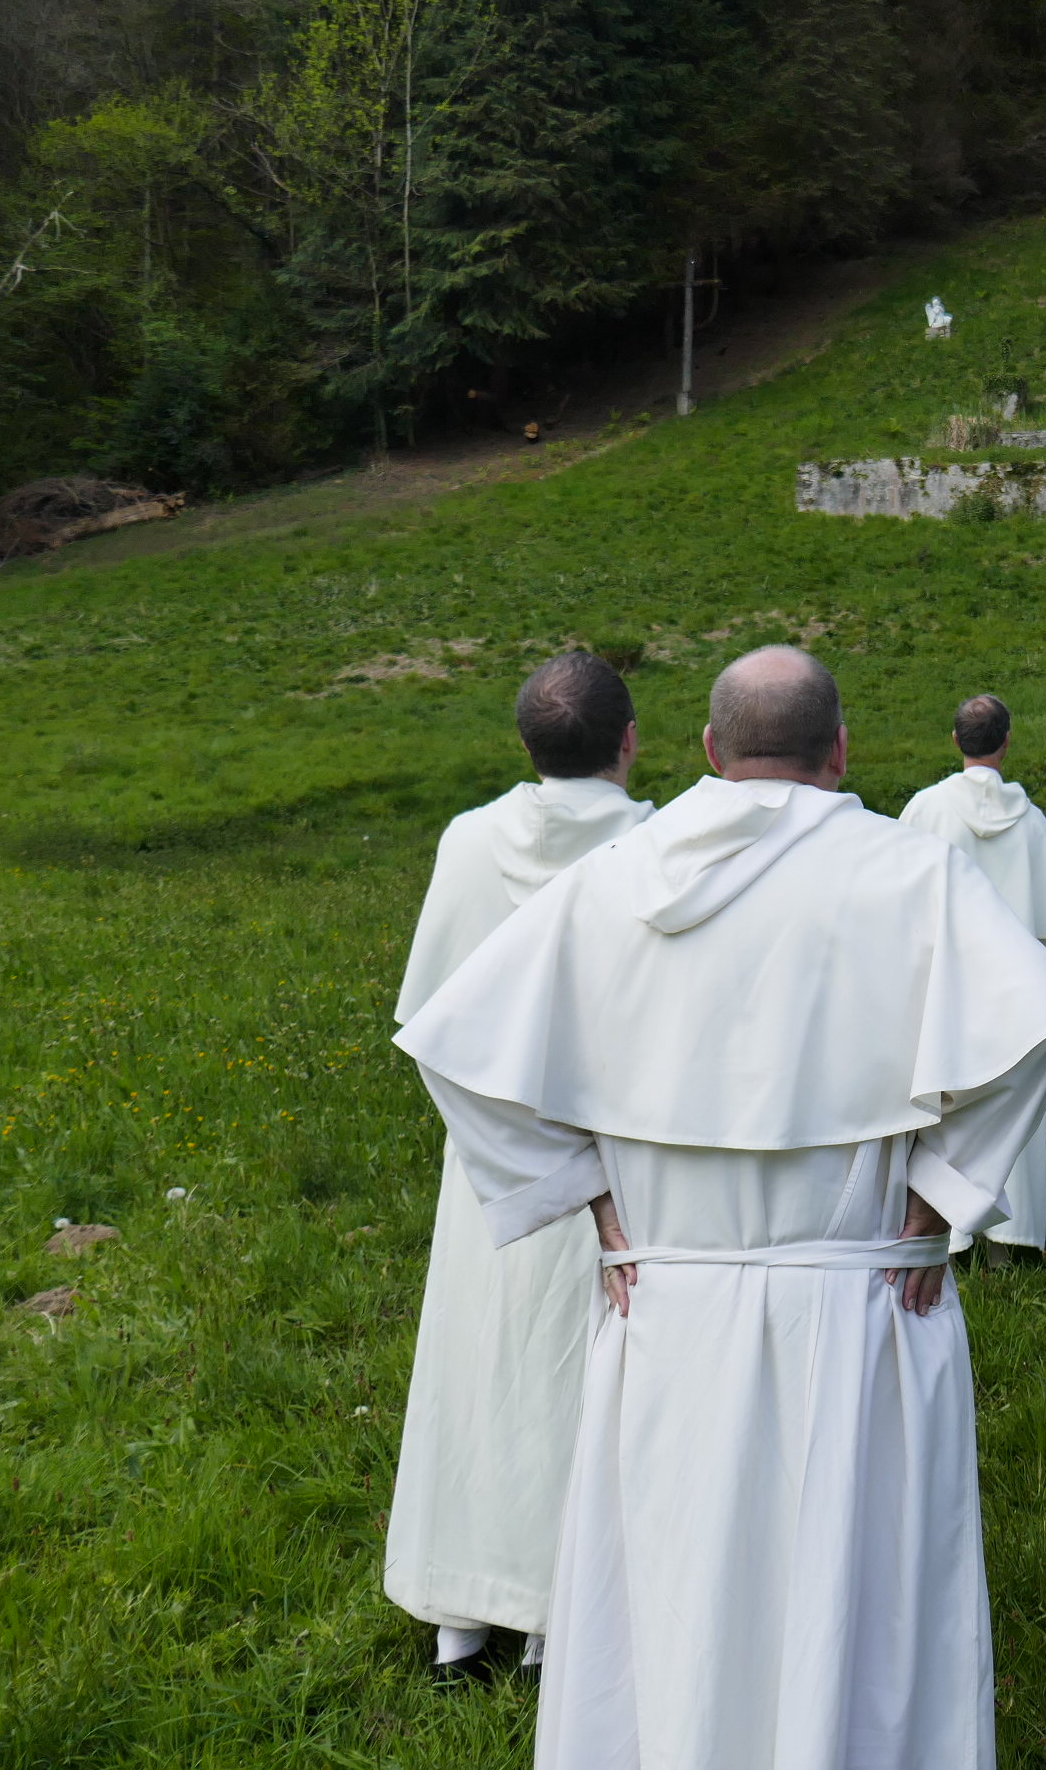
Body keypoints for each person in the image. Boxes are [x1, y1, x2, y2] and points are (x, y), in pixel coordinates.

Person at [395, 644, 1046, 1770]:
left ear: (709, 750)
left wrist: (588, 1202)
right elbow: (1036, 1024)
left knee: (675, 1576)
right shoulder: (910, 873)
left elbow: (457, 1047)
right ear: (840, 749)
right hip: (858, 1293)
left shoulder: (621, 875)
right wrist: (940, 1200)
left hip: (670, 1292)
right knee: (850, 1586)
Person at [385, 650, 651, 1683]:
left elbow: (430, 1012)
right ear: (629, 741)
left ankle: (466, 1616)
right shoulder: (658, 847)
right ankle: (552, 1615)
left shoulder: (470, 840)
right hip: (613, 1152)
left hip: (493, 1145)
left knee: (484, 1361)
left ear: (526, 744)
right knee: (579, 1368)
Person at [899, 693, 1046, 1260]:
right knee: (1013, 1100)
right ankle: (1012, 1237)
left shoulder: (926, 809)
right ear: (1006, 741)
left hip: (946, 983)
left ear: (956, 742)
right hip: (1017, 990)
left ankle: (950, 1231)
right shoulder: (1033, 822)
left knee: (947, 1100)